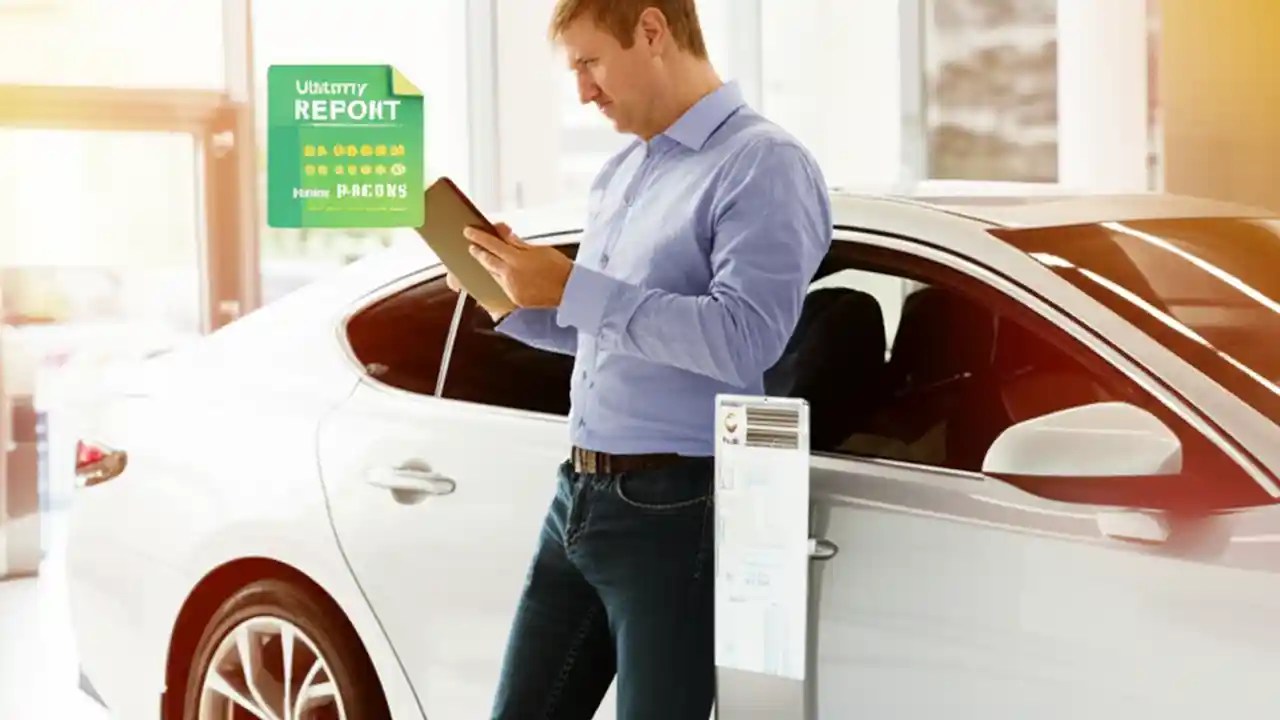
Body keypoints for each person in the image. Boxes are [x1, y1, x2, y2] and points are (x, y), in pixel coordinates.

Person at [449, 1, 831, 717]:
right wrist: (511, 296)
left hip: (676, 508)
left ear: (652, 32)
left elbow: (745, 337)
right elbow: (602, 332)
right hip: (578, 495)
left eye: (590, 63)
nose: (583, 92)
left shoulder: (763, 165)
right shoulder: (621, 174)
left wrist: (572, 287)